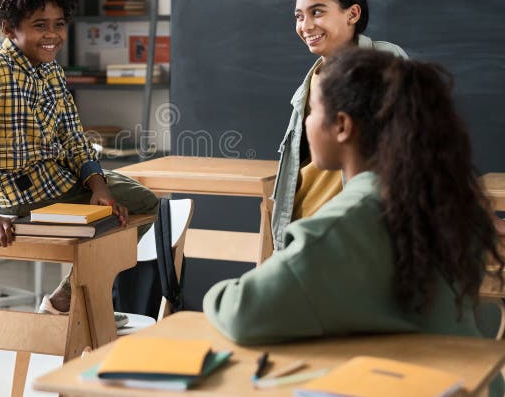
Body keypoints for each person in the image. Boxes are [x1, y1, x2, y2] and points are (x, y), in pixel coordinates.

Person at [204, 48, 504, 352]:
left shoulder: (342, 226)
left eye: (312, 111)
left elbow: (240, 310)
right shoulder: (435, 197)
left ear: (343, 126)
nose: (306, 124)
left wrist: (211, 295)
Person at [0, 0, 158, 319]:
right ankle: (77, 297)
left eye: (59, 24)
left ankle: (77, 295)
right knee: (142, 201)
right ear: (10, 28)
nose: (52, 35)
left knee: (132, 203)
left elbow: (73, 137)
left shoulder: (50, 70)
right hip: (20, 194)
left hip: (54, 181)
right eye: (40, 25)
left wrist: (98, 186)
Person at [271, 0, 408, 250]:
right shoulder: (312, 80)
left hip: (349, 236)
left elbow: (422, 142)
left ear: (352, 14)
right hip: (303, 228)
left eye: (317, 12)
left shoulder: (383, 62)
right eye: (299, 16)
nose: (306, 25)